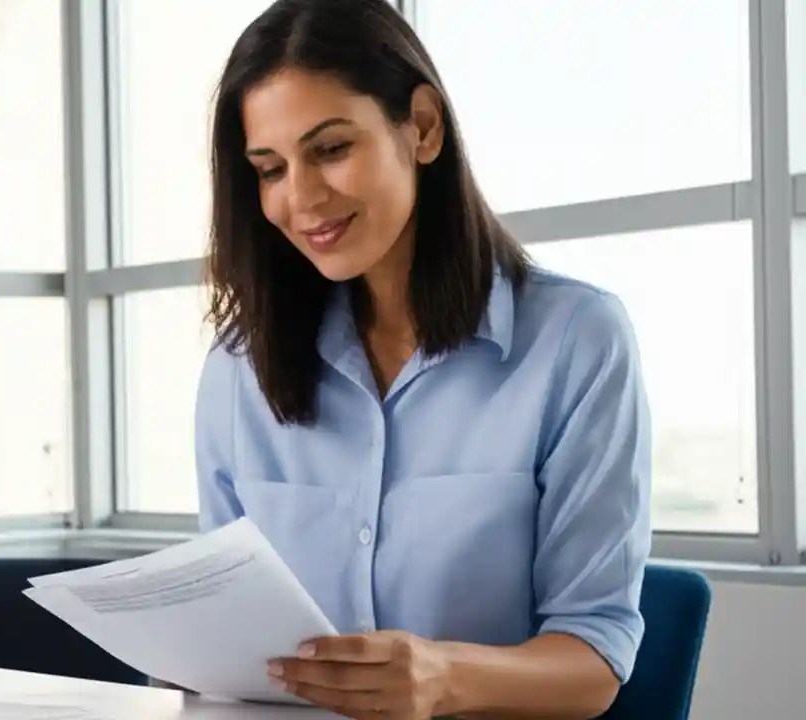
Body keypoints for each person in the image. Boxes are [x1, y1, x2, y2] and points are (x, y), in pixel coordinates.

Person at [194, 1, 651, 718]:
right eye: (269, 168)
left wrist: (443, 677)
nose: (301, 198)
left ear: (424, 128)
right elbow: (221, 627)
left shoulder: (575, 340)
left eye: (331, 149)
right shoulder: (238, 368)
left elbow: (593, 658)